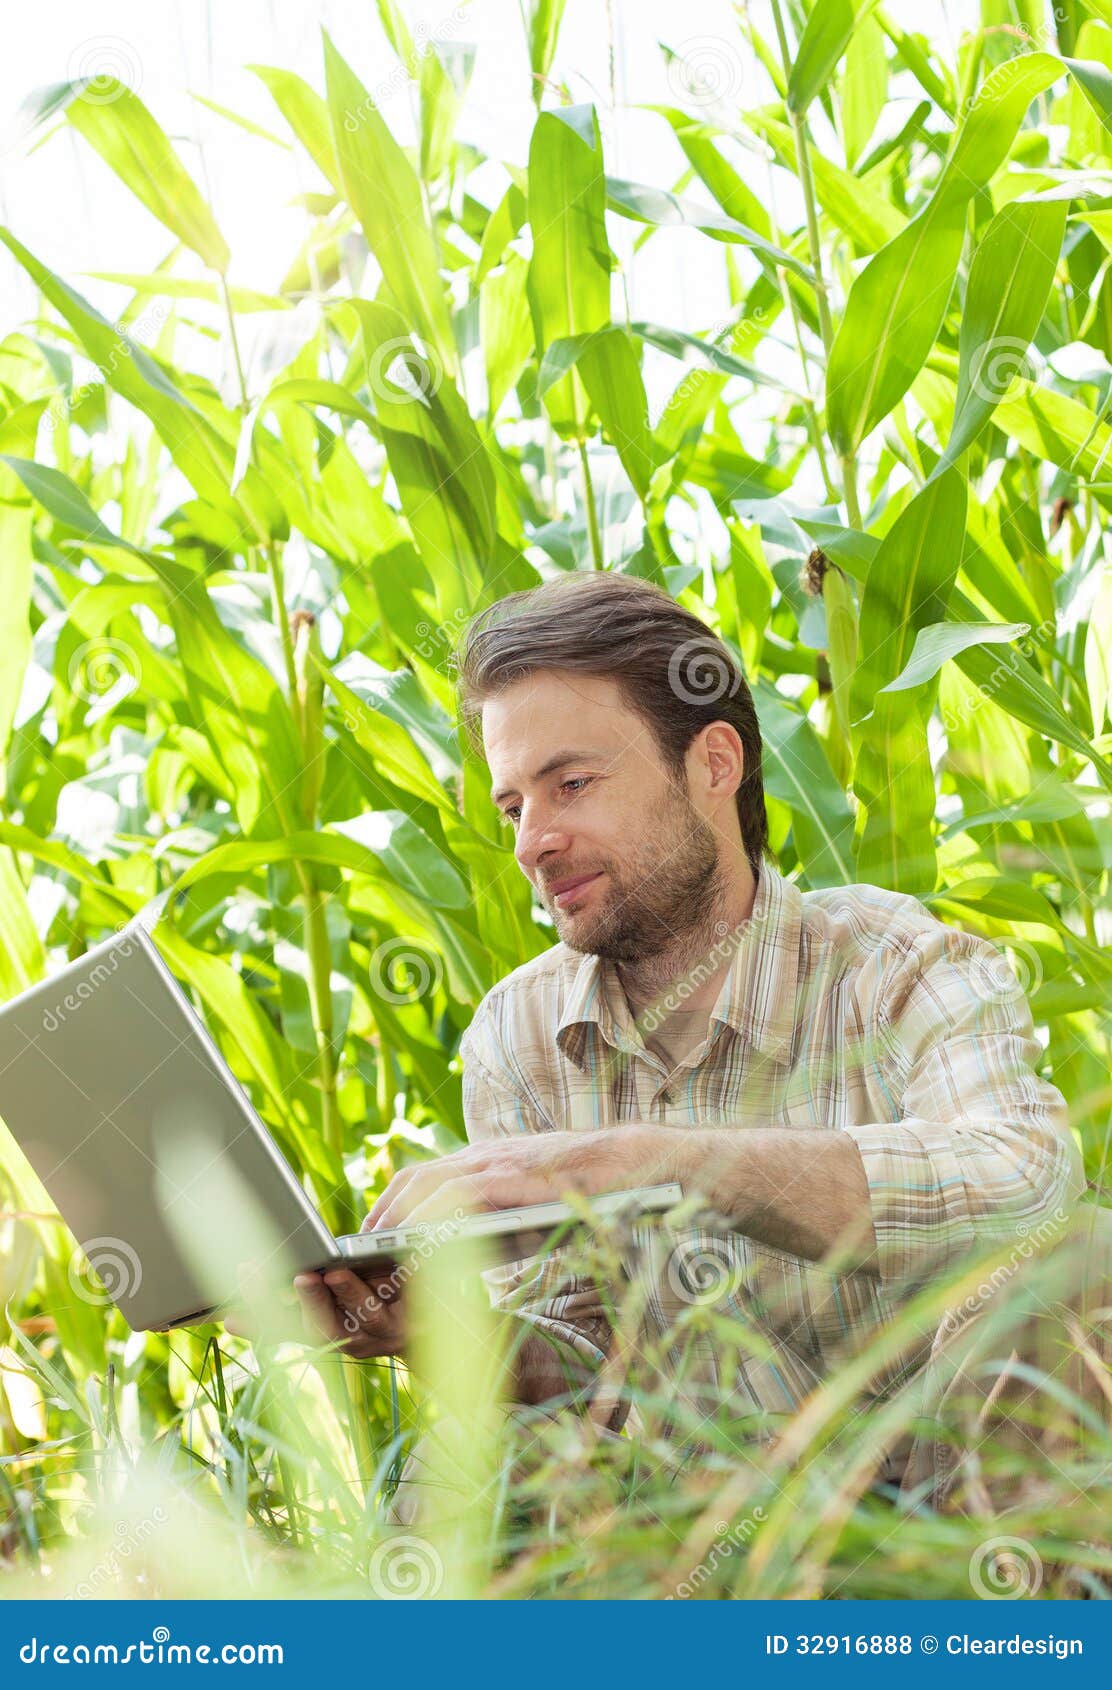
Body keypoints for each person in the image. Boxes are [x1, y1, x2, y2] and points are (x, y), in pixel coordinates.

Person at [281, 572, 1094, 1510]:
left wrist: (652, 1163)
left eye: (571, 785)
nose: (531, 843)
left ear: (714, 764)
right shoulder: (519, 1038)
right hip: (695, 1546)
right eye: (514, 808)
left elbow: (1026, 1180)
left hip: (951, 1525)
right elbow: (584, 1386)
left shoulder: (898, 964)